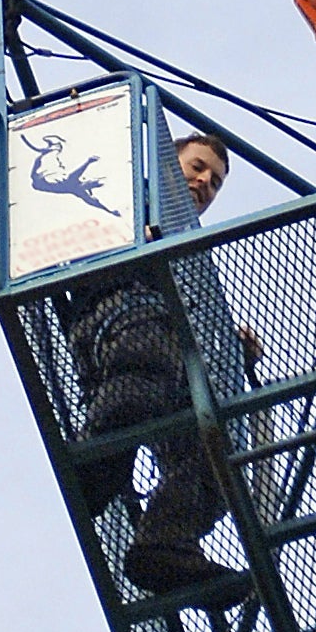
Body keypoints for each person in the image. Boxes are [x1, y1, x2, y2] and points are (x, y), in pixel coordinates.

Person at [66, 133, 258, 604]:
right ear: (169, 167)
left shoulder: (186, 250)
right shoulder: (127, 204)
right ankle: (102, 462)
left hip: (162, 346)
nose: (203, 183)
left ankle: (165, 546)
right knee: (146, 363)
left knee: (216, 454)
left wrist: (231, 346)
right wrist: (133, 238)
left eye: (213, 182)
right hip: (115, 319)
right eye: (196, 168)